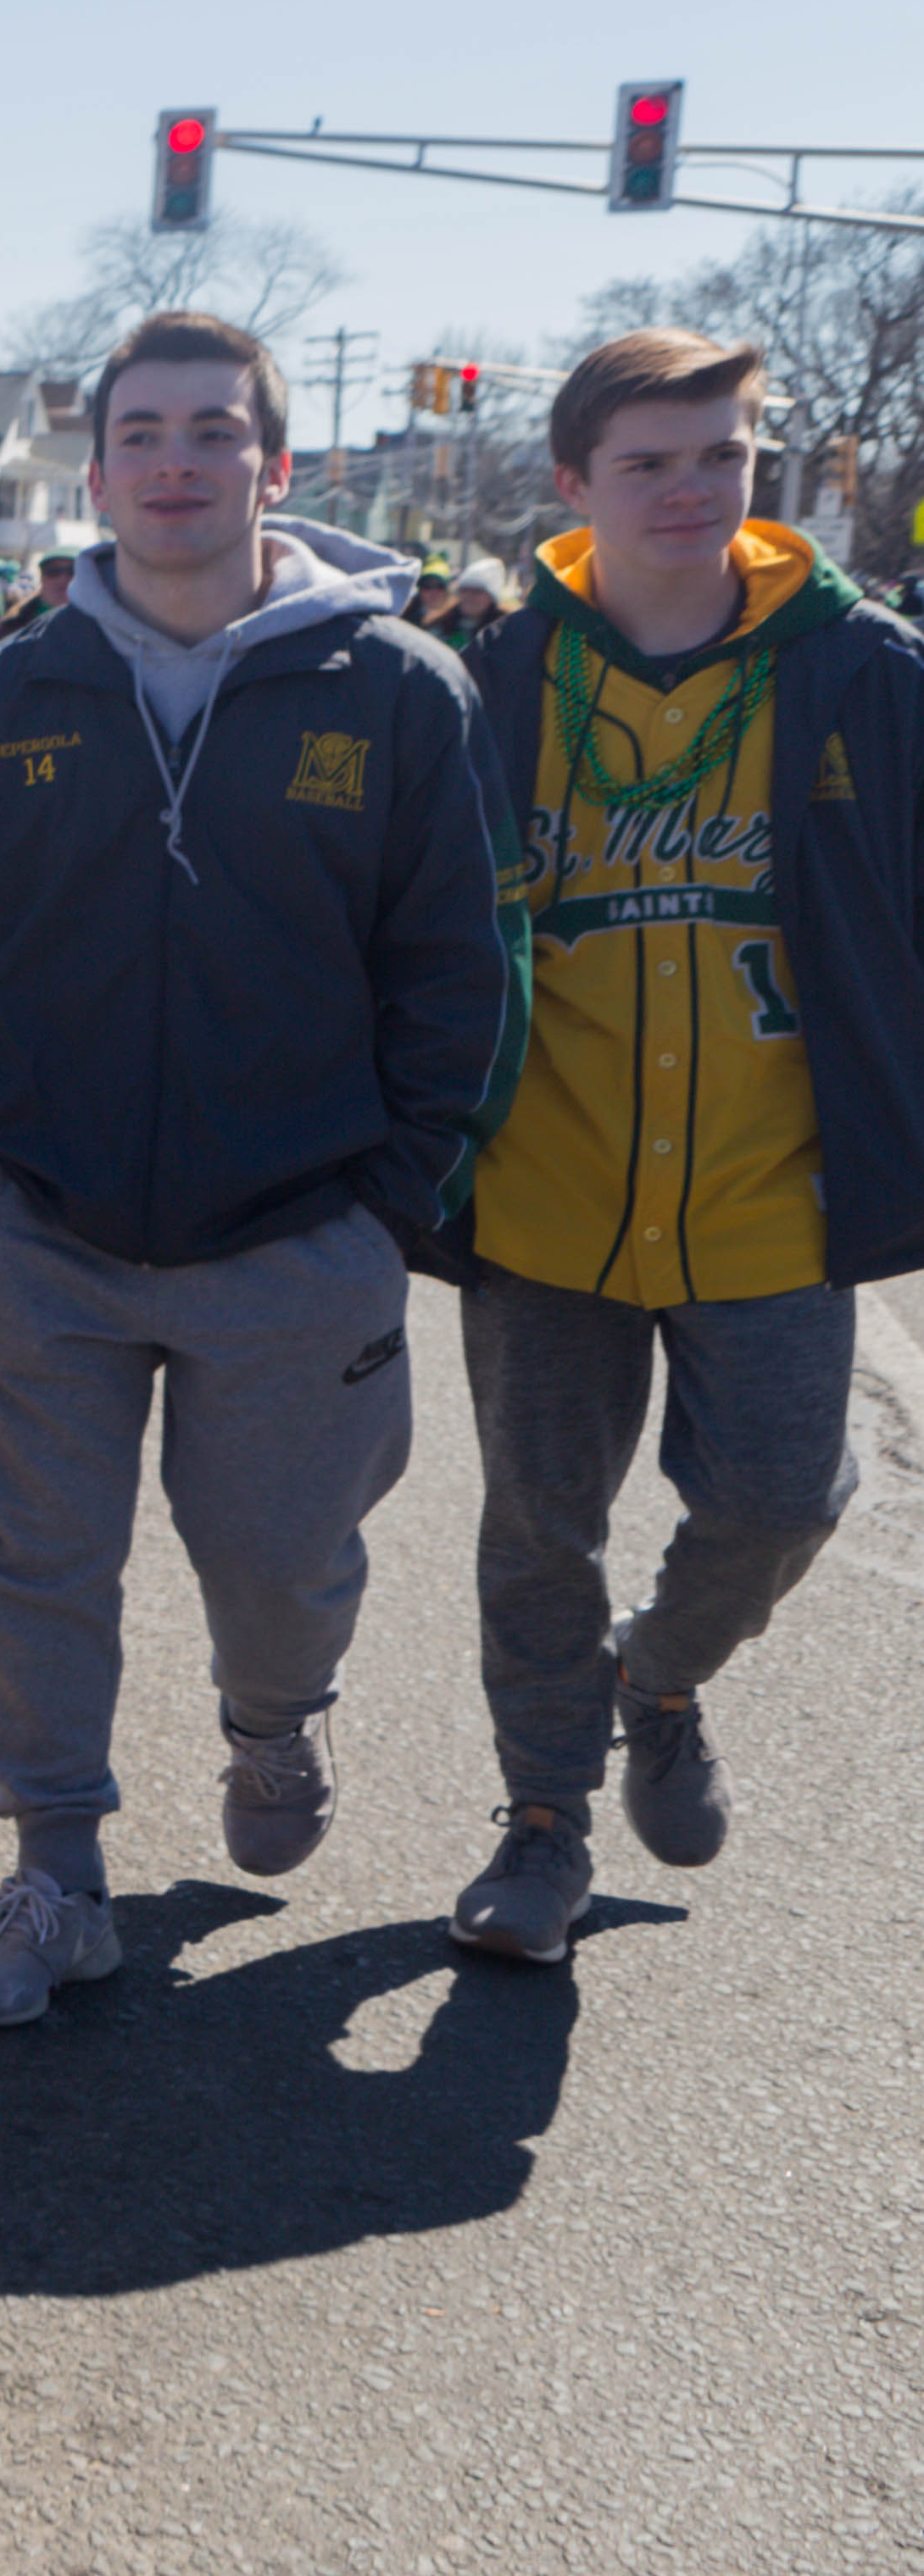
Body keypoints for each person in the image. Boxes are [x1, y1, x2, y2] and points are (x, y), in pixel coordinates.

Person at [0, 310, 528, 2028]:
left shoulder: (396, 692)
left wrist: (392, 1197)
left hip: (298, 1237)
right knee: (25, 1566)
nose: (174, 461)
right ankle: (52, 1873)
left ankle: (271, 1720)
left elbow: (460, 966)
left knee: (279, 1564)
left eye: (210, 432)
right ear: (93, 471)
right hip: (35, 1226)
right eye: (141, 432)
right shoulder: (6, 690)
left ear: (271, 464)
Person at [428, 328, 924, 1963]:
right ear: (571, 484)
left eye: (719, 454)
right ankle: (543, 1820)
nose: (690, 488)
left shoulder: (863, 672)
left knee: (784, 1493)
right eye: (647, 459)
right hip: (542, 1189)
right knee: (536, 1525)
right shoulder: (489, 681)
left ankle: (658, 1674)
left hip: (772, 1193)